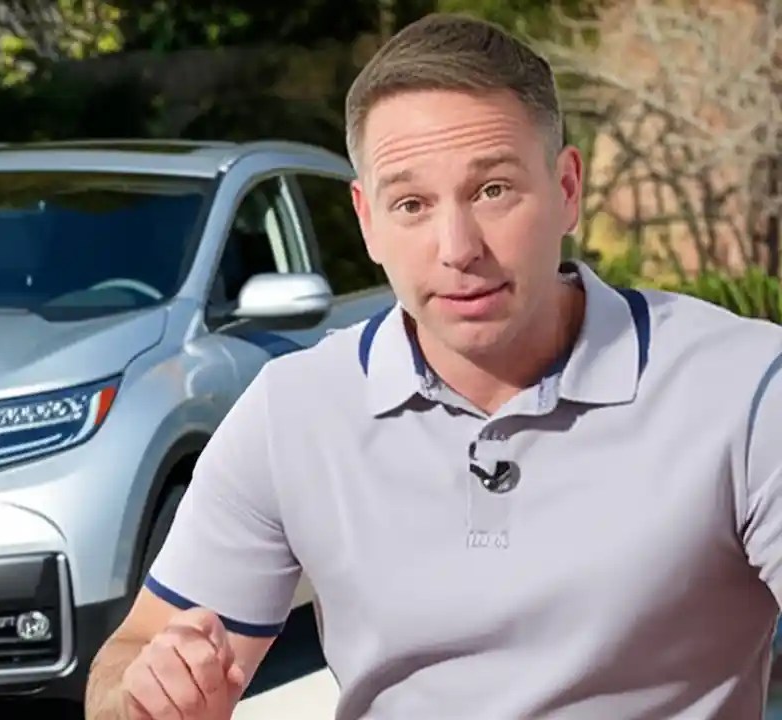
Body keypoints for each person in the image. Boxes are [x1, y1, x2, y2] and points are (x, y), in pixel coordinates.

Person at [84, 10, 782, 720]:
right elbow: (128, 661)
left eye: (493, 191)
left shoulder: (741, 388)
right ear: (367, 220)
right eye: (412, 204)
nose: (457, 247)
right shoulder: (294, 410)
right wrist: (151, 695)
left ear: (568, 188)